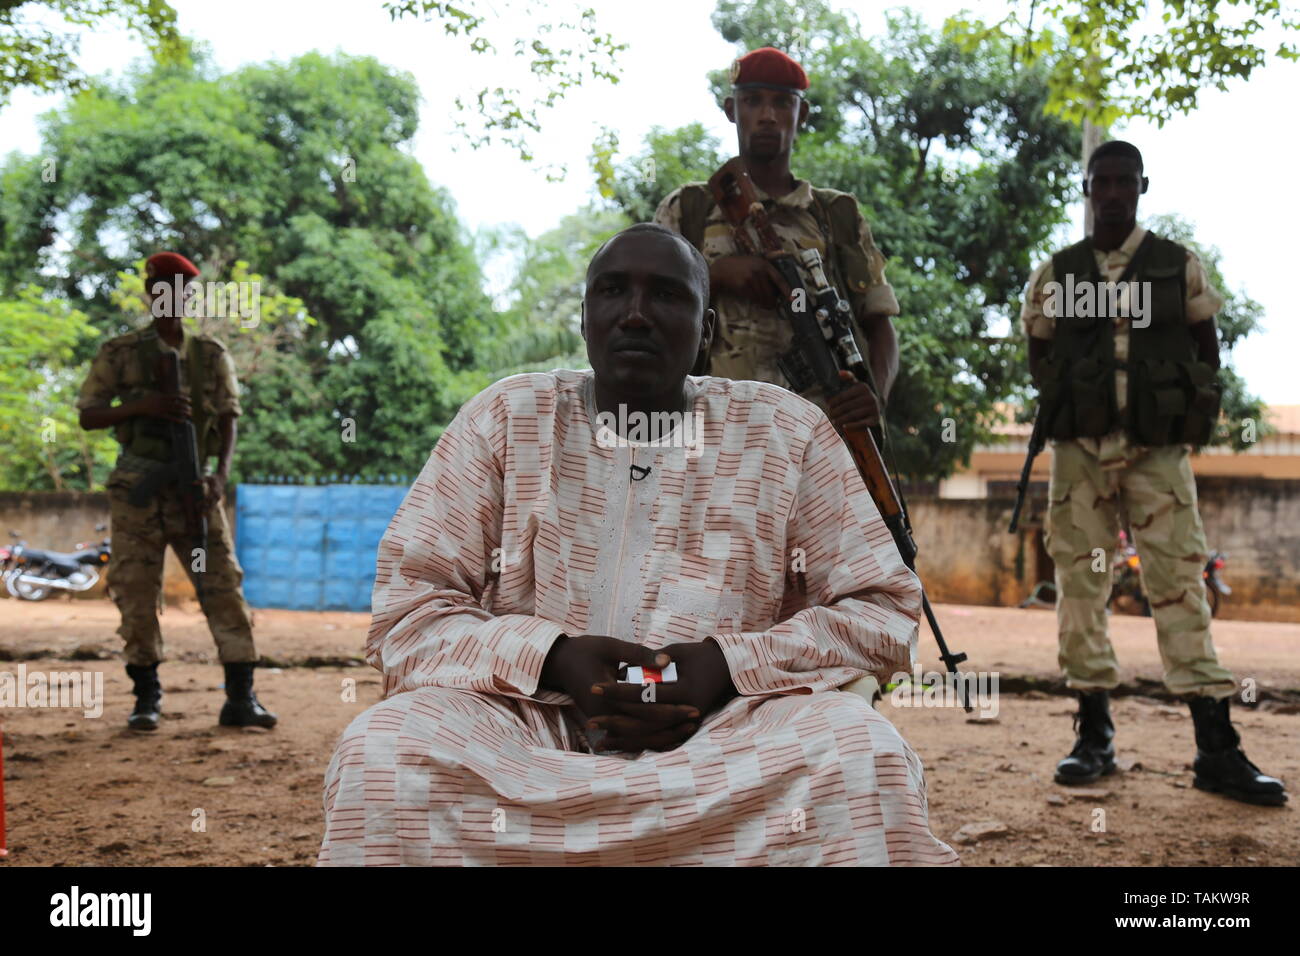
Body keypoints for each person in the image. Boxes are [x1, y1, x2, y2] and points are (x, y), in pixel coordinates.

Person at [317, 224, 959, 865]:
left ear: (709, 332)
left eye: (668, 296)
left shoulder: (785, 432)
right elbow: (410, 610)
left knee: (861, 756)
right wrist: (552, 657)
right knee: (386, 749)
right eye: (612, 292)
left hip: (731, 731)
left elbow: (879, 611)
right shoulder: (508, 419)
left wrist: (725, 667)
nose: (635, 315)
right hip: (526, 726)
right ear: (585, 320)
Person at [1021, 141, 1285, 805]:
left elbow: (1206, 352)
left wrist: (1173, 415)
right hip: (1080, 450)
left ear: (1143, 185)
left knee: (1180, 584)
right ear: (1087, 187)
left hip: (1156, 452)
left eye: (1123, 182)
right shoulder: (1059, 270)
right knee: (1081, 587)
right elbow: (1039, 350)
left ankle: (1216, 750)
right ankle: (1094, 737)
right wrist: (1076, 405)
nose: (1111, 192)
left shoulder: (1176, 266)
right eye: (1100, 182)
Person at [77, 251, 277, 732]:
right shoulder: (119, 352)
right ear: (151, 294)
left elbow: (229, 418)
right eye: (162, 290)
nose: (172, 299)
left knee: (223, 586)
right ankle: (146, 699)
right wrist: (144, 405)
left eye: (181, 291)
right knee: (136, 592)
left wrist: (219, 476)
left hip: (195, 489)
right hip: (138, 491)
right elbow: (89, 413)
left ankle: (240, 698)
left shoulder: (209, 355)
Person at [654, 46, 896, 438]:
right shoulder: (689, 208)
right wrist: (715, 275)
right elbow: (648, 309)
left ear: (802, 114)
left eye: (783, 103)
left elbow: (879, 323)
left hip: (818, 440)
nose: (767, 116)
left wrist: (875, 397)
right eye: (753, 101)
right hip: (713, 438)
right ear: (732, 110)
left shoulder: (837, 214)